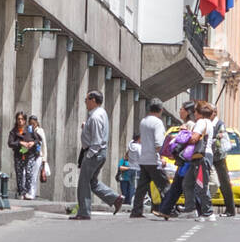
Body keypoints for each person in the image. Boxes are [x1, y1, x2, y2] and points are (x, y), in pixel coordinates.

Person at [72, 89, 124, 220]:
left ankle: (84, 212)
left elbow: (96, 140)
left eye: (86, 100)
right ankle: (115, 198)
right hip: (99, 153)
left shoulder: (95, 117)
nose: (85, 102)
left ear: (93, 100)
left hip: (94, 153)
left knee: (84, 182)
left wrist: (89, 155)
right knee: (92, 182)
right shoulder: (101, 113)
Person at [131, 99, 170, 218]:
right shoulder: (157, 123)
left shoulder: (144, 121)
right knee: (165, 185)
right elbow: (159, 143)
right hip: (154, 160)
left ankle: (136, 211)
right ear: (161, 110)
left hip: (144, 159)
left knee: (141, 188)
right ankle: (168, 208)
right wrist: (162, 157)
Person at [209, 111, 238, 218]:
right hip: (211, 155)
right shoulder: (208, 123)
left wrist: (215, 137)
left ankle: (230, 209)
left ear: (214, 113)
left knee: (224, 182)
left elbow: (221, 135)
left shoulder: (219, 124)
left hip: (218, 157)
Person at [8, 112, 39, 198]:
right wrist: (20, 143)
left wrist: (32, 143)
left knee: (29, 173)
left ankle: (27, 191)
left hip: (30, 155)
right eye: (18, 119)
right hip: (19, 155)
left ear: (25, 120)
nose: (20, 121)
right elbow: (10, 143)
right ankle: (21, 192)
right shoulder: (13, 131)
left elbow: (37, 139)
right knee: (19, 174)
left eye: (22, 119)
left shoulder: (29, 129)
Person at [27, 114, 47, 198]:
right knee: (27, 174)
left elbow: (44, 146)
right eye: (30, 123)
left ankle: (32, 193)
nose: (32, 125)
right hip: (29, 155)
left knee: (34, 175)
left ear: (36, 123)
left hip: (38, 156)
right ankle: (27, 192)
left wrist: (44, 160)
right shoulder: (28, 131)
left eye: (33, 123)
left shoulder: (40, 131)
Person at [118, 132, 139, 205]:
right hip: (124, 179)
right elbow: (120, 167)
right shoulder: (123, 161)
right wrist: (128, 168)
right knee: (125, 193)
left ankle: (128, 204)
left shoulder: (132, 161)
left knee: (131, 193)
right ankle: (124, 205)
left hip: (131, 179)